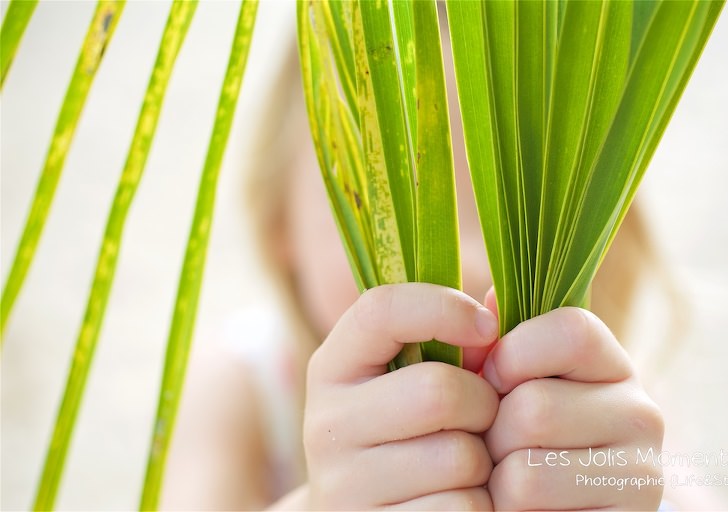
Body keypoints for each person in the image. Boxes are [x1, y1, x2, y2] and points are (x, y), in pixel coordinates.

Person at [161, 29, 669, 511]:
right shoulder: (241, 387)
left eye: (522, 197)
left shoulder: (597, 404)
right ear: (280, 222)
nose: (466, 263)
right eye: (388, 198)